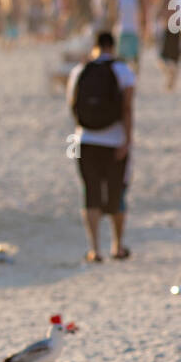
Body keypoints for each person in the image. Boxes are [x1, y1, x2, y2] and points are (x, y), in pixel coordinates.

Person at [66, 31, 135, 264]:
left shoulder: (79, 71)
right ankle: (117, 245)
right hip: (114, 140)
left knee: (91, 193)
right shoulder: (122, 70)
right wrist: (127, 140)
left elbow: (72, 106)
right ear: (112, 47)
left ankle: (94, 248)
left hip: (84, 139)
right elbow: (127, 108)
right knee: (117, 193)